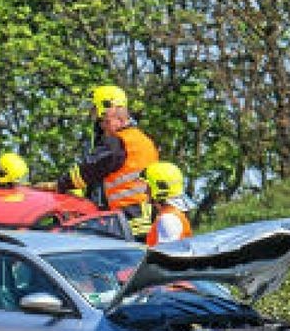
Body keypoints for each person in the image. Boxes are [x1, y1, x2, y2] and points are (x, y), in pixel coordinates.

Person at [57, 86, 158, 240]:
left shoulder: (118, 142)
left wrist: (60, 184)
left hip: (130, 220)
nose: (102, 127)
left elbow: (90, 168)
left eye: (103, 121)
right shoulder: (143, 140)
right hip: (146, 219)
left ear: (111, 111)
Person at [144, 161, 192, 245]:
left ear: (160, 188)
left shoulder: (168, 219)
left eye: (148, 187)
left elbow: (167, 256)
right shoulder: (170, 215)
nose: (145, 191)